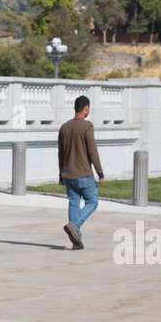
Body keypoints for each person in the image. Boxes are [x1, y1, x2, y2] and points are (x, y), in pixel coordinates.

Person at [57, 95, 104, 250]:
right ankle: (75, 226)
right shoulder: (87, 126)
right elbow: (92, 151)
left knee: (74, 203)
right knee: (92, 201)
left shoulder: (64, 127)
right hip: (83, 174)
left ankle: (76, 241)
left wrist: (60, 175)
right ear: (86, 109)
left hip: (68, 174)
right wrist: (100, 172)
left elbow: (61, 153)